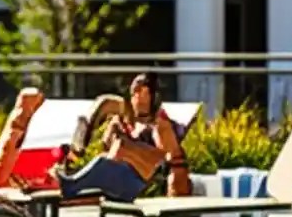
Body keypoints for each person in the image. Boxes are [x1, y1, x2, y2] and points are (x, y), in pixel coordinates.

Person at [54, 72, 191, 202]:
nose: (136, 97)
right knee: (104, 160)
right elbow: (106, 146)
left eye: (142, 93)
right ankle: (71, 182)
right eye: (134, 93)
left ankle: (70, 185)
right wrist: (114, 133)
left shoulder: (160, 125)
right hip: (125, 176)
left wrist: (128, 149)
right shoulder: (128, 121)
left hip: (144, 183)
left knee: (115, 152)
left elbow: (165, 162)